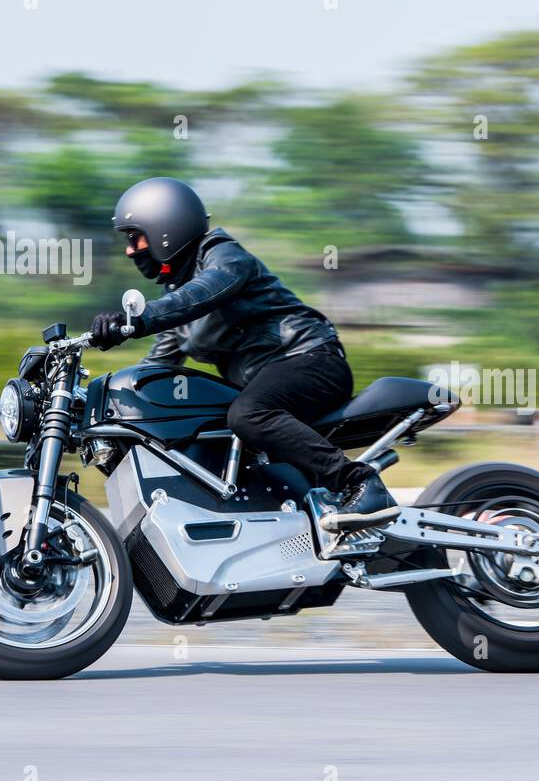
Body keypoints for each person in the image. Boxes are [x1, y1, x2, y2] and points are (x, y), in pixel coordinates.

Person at [90, 176, 398, 530]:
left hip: (311, 359)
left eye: (135, 236)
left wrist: (138, 320)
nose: (131, 250)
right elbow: (151, 374)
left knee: (248, 415)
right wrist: (101, 411)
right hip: (269, 382)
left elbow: (209, 289)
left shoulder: (222, 254)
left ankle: (358, 481)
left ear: (165, 228)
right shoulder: (181, 308)